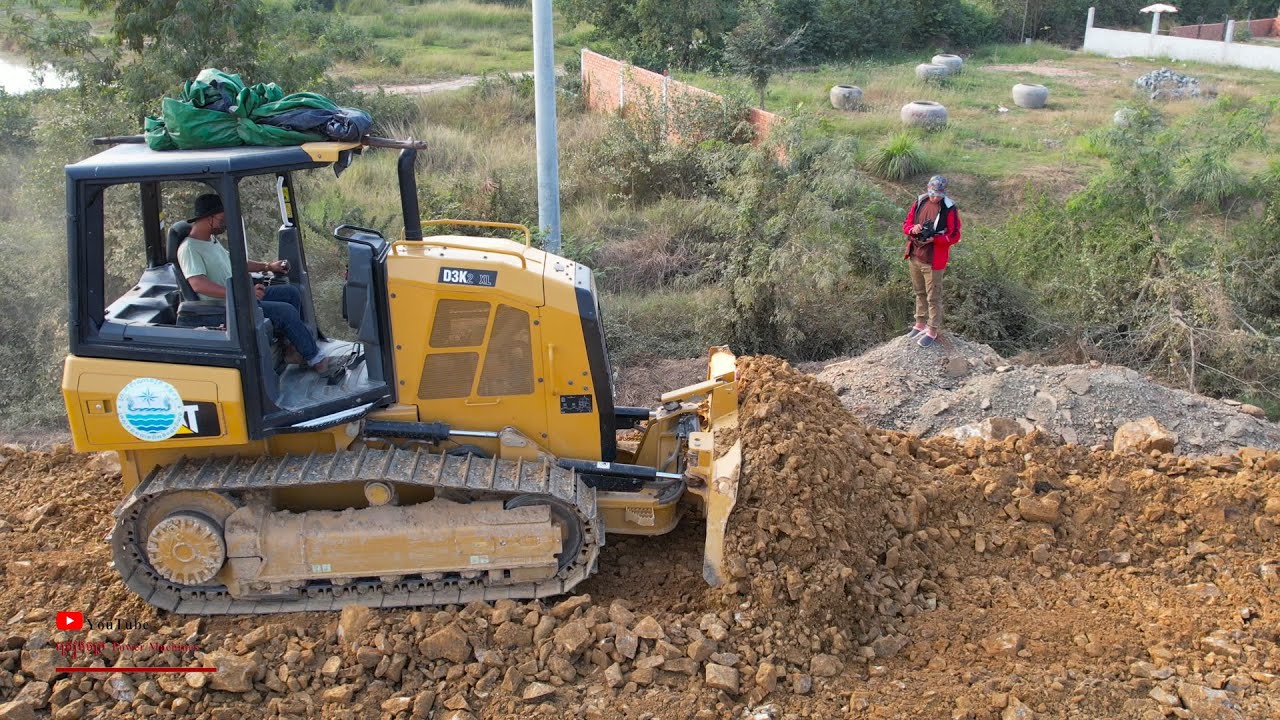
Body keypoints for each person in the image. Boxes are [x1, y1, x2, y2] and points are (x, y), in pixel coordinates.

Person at [177, 194, 342, 378]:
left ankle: (291, 349)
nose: (224, 225)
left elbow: (236, 262)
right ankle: (317, 359)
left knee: (291, 293)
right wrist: (244, 295)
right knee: (285, 311)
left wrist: (267, 266)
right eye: (222, 220)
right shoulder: (189, 249)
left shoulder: (211, 241)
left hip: (239, 297)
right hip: (226, 307)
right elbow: (198, 285)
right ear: (208, 219)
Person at [901, 175, 962, 348]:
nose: (935, 197)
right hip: (915, 254)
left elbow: (955, 235)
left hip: (933, 259)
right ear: (928, 190)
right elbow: (906, 224)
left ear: (944, 193)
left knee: (933, 297)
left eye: (939, 194)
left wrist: (936, 239)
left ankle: (932, 330)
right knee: (919, 292)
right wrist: (913, 229)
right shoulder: (920, 201)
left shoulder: (949, 208)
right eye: (933, 193)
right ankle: (920, 323)